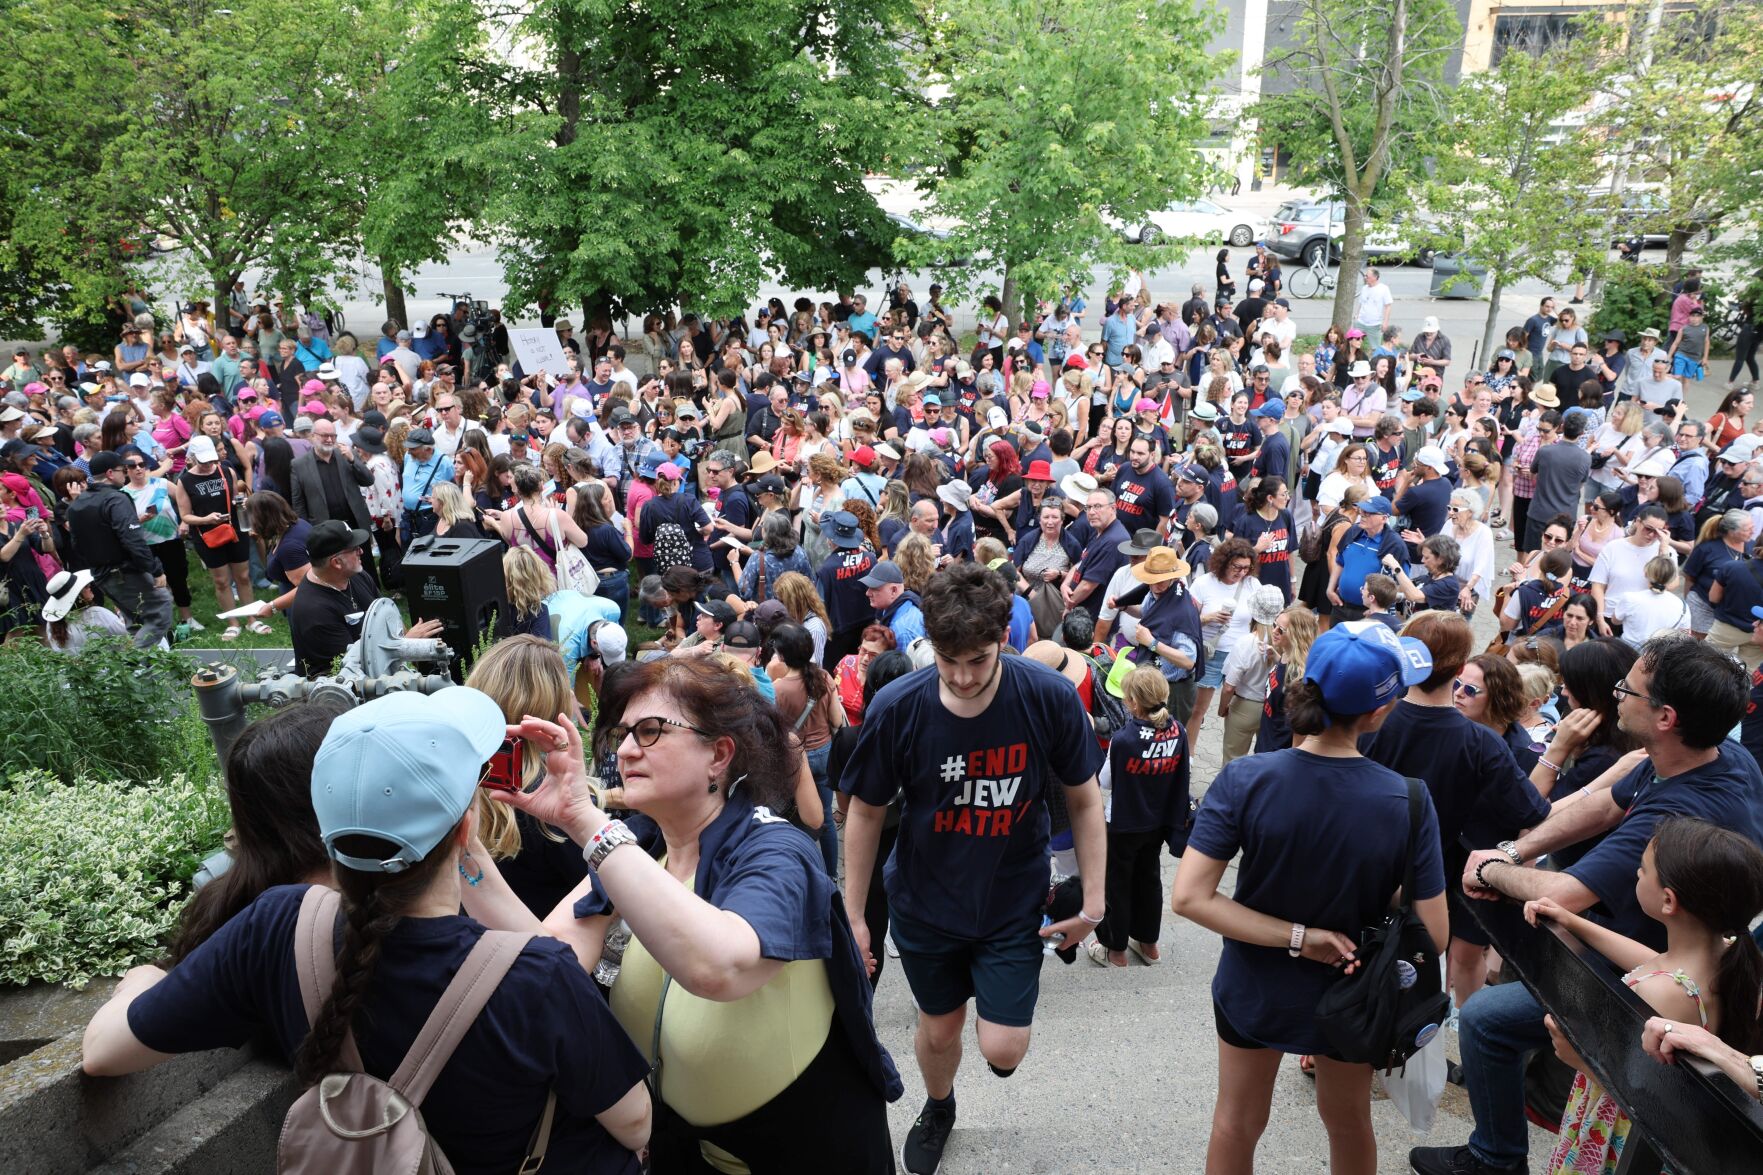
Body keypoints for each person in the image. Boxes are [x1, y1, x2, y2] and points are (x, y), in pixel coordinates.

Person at [81, 688, 653, 1173]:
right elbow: (635, 1124)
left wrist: (139, 979)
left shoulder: (276, 925)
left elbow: (103, 1052)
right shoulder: (538, 979)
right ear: (463, 828)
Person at [469, 658, 902, 1171]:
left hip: (805, 1148)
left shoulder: (775, 849)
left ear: (719, 755)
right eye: (623, 734)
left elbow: (720, 966)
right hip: (682, 1150)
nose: (626, 749)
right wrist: (461, 850)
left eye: (650, 732)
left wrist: (588, 826)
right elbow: (546, 961)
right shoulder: (645, 847)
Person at [1419, 638, 1763, 1175]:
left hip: (1648, 973)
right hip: (1661, 952)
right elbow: (1605, 804)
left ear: (1666, 717)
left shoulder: (1678, 813)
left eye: (1629, 688)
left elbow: (1563, 893)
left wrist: (1489, 871)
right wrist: (1514, 851)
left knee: (1486, 1020)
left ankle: (1496, 1158)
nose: (1616, 695)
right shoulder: (1709, 753)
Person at [841, 562, 1106, 1175]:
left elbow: (1086, 797)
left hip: (1013, 898)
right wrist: (854, 915)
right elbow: (864, 812)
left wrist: (1093, 903)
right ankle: (939, 1107)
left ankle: (992, 1028)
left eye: (978, 661)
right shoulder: (897, 705)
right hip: (924, 901)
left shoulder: (1046, 696)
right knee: (939, 1030)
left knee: (1004, 1049)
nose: (961, 677)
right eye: (947, 660)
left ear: (1004, 642)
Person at [1173, 621, 1447, 1174]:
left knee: (1236, 1121)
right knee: (1347, 1122)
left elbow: (1190, 898)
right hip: (1354, 996)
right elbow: (1434, 934)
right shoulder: (1409, 802)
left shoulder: (1246, 778)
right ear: (1377, 713)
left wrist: (1297, 937)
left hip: (1253, 986)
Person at [1529, 817, 1763, 1171]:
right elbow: (1656, 963)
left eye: (1642, 870)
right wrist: (1573, 921)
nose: (1637, 875)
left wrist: (1576, 1058)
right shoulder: (1723, 952)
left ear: (1669, 901)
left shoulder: (1661, 993)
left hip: (1617, 1136)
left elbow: (1641, 1090)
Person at [1363, 610, 1550, 1016]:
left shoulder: (1370, 716)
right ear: (1460, 663)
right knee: (1409, 973)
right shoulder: (1480, 742)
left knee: (1352, 961)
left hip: (1361, 869)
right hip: (1431, 882)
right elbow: (1533, 813)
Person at [1087, 666, 1190, 969]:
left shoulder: (1124, 739)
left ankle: (1115, 949)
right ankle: (1149, 944)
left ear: (1133, 703)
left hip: (1123, 823)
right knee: (1149, 877)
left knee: (1117, 883)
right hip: (1159, 822)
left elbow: (1104, 782)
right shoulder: (1178, 731)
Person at [281, 520, 442, 676]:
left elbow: (389, 617)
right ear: (336, 562)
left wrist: (412, 652)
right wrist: (406, 645)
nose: (362, 551)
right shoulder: (313, 611)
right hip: (340, 693)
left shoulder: (356, 576)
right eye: (355, 548)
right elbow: (351, 669)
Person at [63, 452, 173, 648]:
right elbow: (132, 538)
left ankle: (147, 672)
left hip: (101, 574)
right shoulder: (116, 499)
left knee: (135, 620)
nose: (126, 474)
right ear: (110, 473)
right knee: (160, 611)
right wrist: (155, 569)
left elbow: (77, 545)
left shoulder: (76, 504)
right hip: (124, 571)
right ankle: (132, 666)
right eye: (124, 470)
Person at [771, 621, 846, 877]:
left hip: (795, 758)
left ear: (781, 655)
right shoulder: (823, 677)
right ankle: (832, 876)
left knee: (795, 815)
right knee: (823, 816)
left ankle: (800, 867)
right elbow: (837, 720)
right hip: (824, 753)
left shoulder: (778, 688)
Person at [1187, 539, 1262, 736]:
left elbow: (1262, 619)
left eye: (1247, 568)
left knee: (1239, 710)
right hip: (1210, 654)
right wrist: (1208, 618)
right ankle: (1189, 755)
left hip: (1241, 655)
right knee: (1197, 710)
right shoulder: (1203, 583)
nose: (1242, 573)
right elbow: (1186, 621)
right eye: (1237, 567)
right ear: (1224, 561)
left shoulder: (1252, 584)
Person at [1215, 585, 1287, 765]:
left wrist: (1223, 706)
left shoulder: (1246, 642)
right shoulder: (1284, 641)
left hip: (1244, 706)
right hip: (1271, 706)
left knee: (1233, 759)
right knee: (1264, 760)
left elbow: (1229, 685)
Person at [1255, 604, 1318, 753]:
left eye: (1281, 630)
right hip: (1266, 740)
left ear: (1297, 635)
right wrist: (1277, 658)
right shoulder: (1285, 656)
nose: (1274, 631)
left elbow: (1299, 731)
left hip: (1277, 751)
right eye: (1274, 625)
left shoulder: (1299, 678)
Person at [40, 567, 128, 652]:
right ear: (77, 595)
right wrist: (121, 613)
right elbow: (126, 633)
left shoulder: (52, 625)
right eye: (85, 586)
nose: (90, 587)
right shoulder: (96, 613)